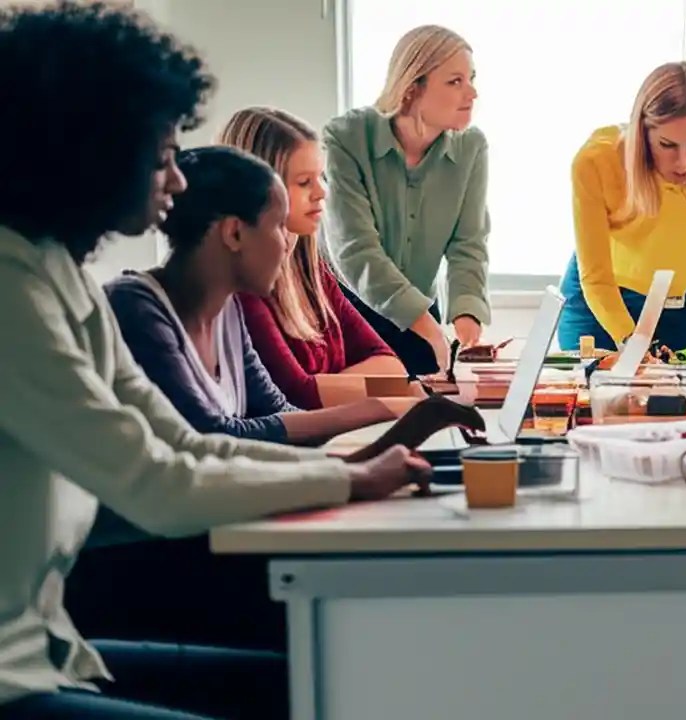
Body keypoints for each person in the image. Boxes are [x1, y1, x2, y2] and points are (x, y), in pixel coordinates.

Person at [0, 3, 427, 718]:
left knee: (316, 677)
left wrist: (353, 471)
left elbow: (186, 441)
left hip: (51, 649)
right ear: (94, 151)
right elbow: (157, 482)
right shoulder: (14, 293)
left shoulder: (57, 271)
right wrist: (351, 482)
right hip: (17, 679)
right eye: (163, 157)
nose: (175, 184)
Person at [106, 146, 418, 446]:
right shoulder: (137, 307)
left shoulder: (227, 310)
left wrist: (403, 413)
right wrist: (388, 409)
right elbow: (213, 435)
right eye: (280, 225)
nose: (287, 243)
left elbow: (281, 413)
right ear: (235, 233)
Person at [323, 24, 489, 375]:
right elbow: (356, 251)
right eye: (455, 81)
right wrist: (430, 329)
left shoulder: (472, 148)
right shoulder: (345, 138)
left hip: (418, 311)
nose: (472, 93)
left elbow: (468, 244)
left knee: (436, 407)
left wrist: (467, 317)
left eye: (472, 78)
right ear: (413, 88)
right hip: (347, 314)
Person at [218, 106, 409, 410]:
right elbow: (298, 396)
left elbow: (392, 367)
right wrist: (350, 386)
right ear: (263, 190)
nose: (322, 193)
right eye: (304, 182)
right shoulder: (240, 287)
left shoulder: (310, 269)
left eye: (320, 178)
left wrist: (329, 386)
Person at [557, 59, 686, 353]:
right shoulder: (597, 162)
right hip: (600, 300)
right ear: (643, 134)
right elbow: (595, 277)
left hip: (684, 301)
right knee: (598, 393)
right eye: (668, 145)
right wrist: (631, 343)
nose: (683, 164)